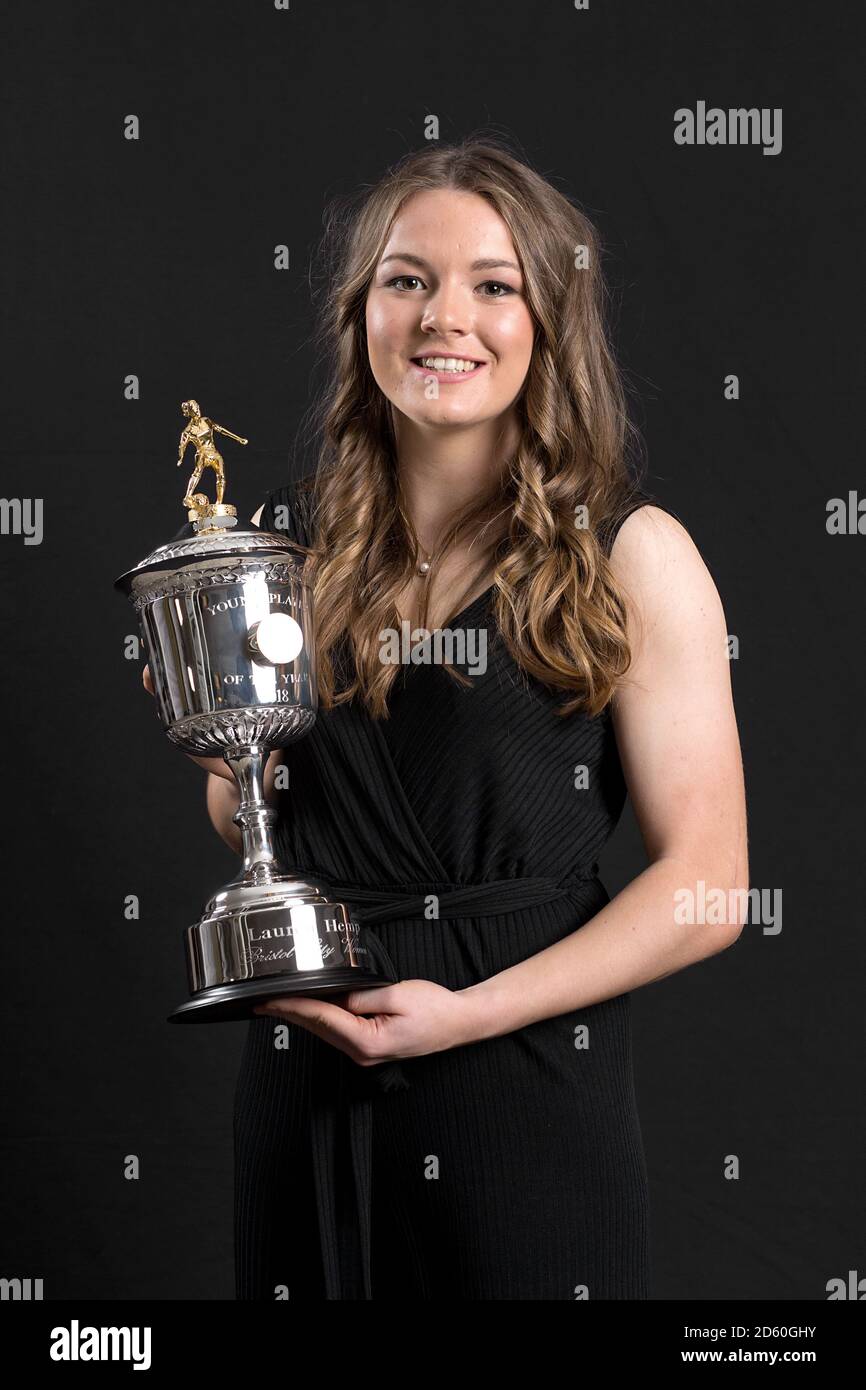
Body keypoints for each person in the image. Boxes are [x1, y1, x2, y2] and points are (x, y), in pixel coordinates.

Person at [147, 139, 748, 1300]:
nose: (443, 318)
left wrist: (462, 1016)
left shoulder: (632, 556)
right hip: (306, 1072)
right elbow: (257, 824)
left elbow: (711, 883)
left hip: (518, 1083)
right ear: (360, 312)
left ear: (548, 321)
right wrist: (219, 726)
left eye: (493, 283)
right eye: (406, 279)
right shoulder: (295, 560)